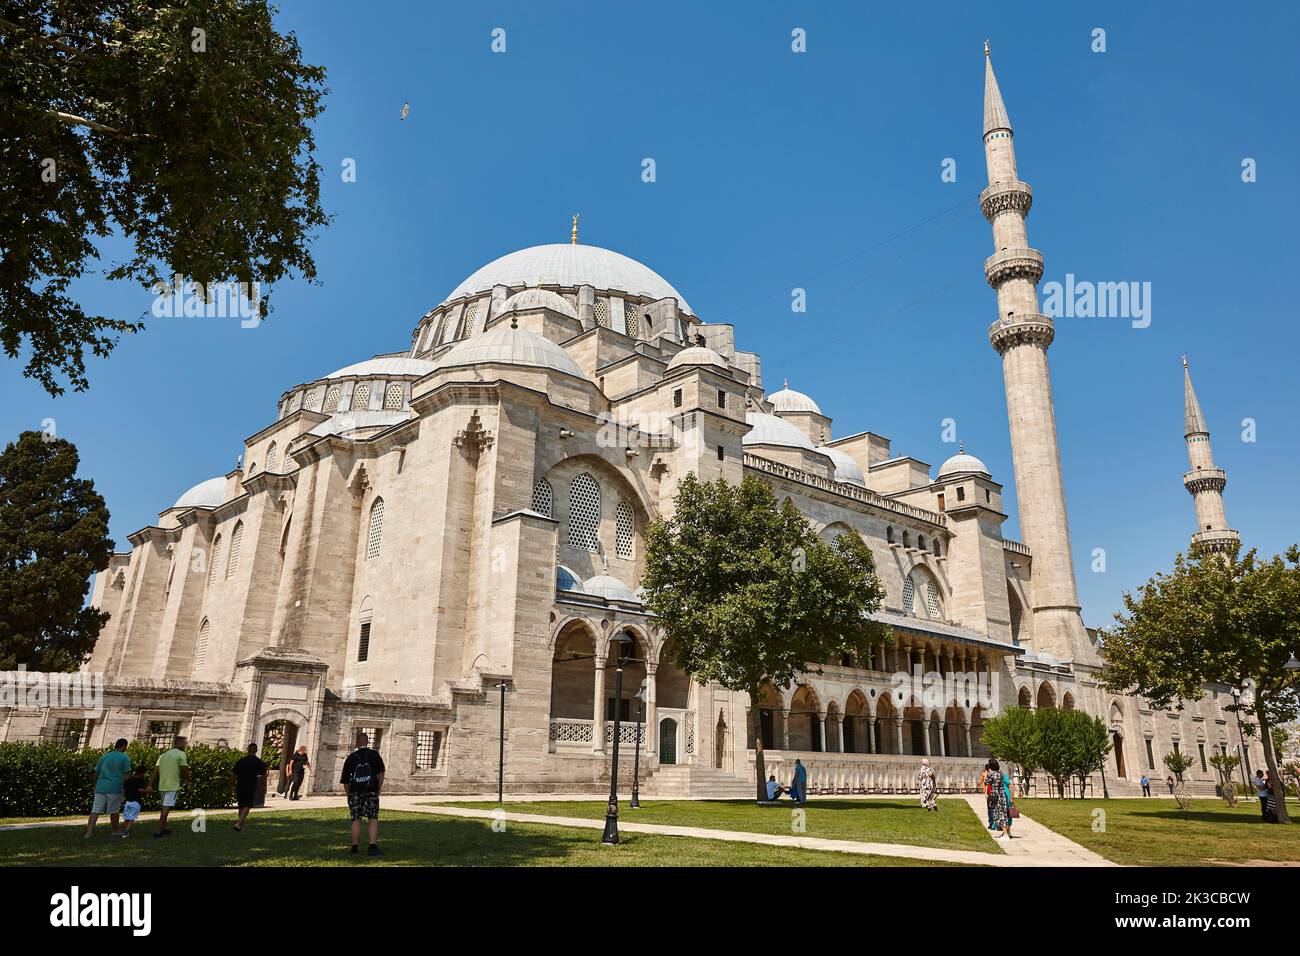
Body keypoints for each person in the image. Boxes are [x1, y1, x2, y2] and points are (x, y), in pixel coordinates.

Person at [341, 733, 385, 856]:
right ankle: (372, 846)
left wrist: (349, 795)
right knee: (372, 818)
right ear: (367, 742)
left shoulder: (351, 757)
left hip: (355, 792)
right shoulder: (375, 755)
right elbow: (381, 773)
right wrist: (378, 789)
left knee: (356, 819)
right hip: (371, 791)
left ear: (357, 743)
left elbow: (345, 780)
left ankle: (354, 847)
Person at [85, 738, 132, 838]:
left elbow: (96, 772)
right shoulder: (124, 758)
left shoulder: (104, 757)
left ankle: (89, 832)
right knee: (114, 811)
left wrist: (95, 785)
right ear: (124, 746)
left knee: (95, 810)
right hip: (115, 787)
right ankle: (115, 830)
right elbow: (127, 775)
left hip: (101, 786)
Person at [149, 735, 191, 837]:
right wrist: (189, 780)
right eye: (184, 742)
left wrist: (150, 784)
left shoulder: (163, 755)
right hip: (172, 784)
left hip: (162, 784)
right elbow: (184, 769)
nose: (185, 744)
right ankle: (158, 830)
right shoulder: (181, 754)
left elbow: (156, 770)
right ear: (177, 743)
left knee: (164, 806)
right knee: (166, 807)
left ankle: (164, 827)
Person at [231, 743, 268, 832]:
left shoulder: (241, 761)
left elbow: (233, 774)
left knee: (241, 806)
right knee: (247, 805)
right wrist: (264, 786)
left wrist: (231, 784)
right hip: (251, 785)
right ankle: (239, 823)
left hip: (240, 784)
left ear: (248, 750)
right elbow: (264, 775)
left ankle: (240, 827)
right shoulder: (258, 762)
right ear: (256, 750)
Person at [986, 757, 1012, 839]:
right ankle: (1006, 832)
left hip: (996, 795)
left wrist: (989, 773)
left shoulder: (991, 774)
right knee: (1003, 813)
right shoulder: (1000, 774)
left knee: (1001, 814)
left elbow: (986, 782)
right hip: (1002, 794)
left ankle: (1005, 834)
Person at [119, 766, 147, 838]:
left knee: (127, 818)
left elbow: (124, 789)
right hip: (136, 802)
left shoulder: (129, 780)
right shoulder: (140, 780)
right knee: (132, 818)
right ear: (143, 773)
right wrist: (147, 790)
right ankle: (127, 831)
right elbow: (140, 789)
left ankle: (123, 830)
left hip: (127, 801)